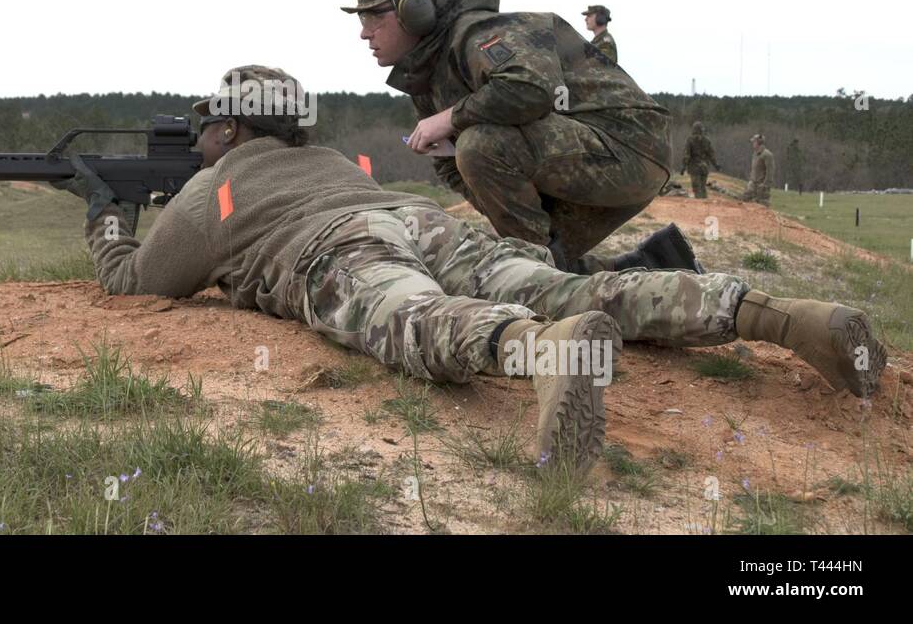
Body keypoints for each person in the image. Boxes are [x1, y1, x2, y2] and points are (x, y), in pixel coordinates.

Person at [53, 65, 888, 476]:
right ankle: (780, 318)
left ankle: (545, 352)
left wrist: (105, 219)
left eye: (207, 126)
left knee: (412, 318)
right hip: (421, 221)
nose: (199, 138)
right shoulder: (334, 157)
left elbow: (136, 285)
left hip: (339, 250)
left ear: (230, 132)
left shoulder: (212, 188)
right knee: (570, 283)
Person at [344, 0, 686, 275]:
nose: (364, 33)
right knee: (517, 264)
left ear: (412, 12)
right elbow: (454, 166)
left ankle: (539, 279)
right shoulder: (425, 79)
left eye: (373, 17)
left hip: (630, 146)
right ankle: (661, 265)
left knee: (482, 147)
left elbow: (531, 89)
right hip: (584, 161)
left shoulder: (476, 33)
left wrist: (452, 118)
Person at [680, 122, 720, 198]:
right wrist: (716, 164)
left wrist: (683, 166)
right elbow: (711, 154)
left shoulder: (690, 140)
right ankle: (704, 203)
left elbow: (687, 155)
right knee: (703, 187)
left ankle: (700, 205)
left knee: (696, 188)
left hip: (694, 167)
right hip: (704, 167)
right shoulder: (706, 141)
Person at [742, 134, 776, 206]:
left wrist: (765, 185)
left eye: (754, 142)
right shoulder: (755, 154)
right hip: (753, 185)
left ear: (758, 143)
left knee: (762, 206)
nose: (753, 144)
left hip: (761, 186)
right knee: (745, 201)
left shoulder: (767, 155)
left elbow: (770, 172)